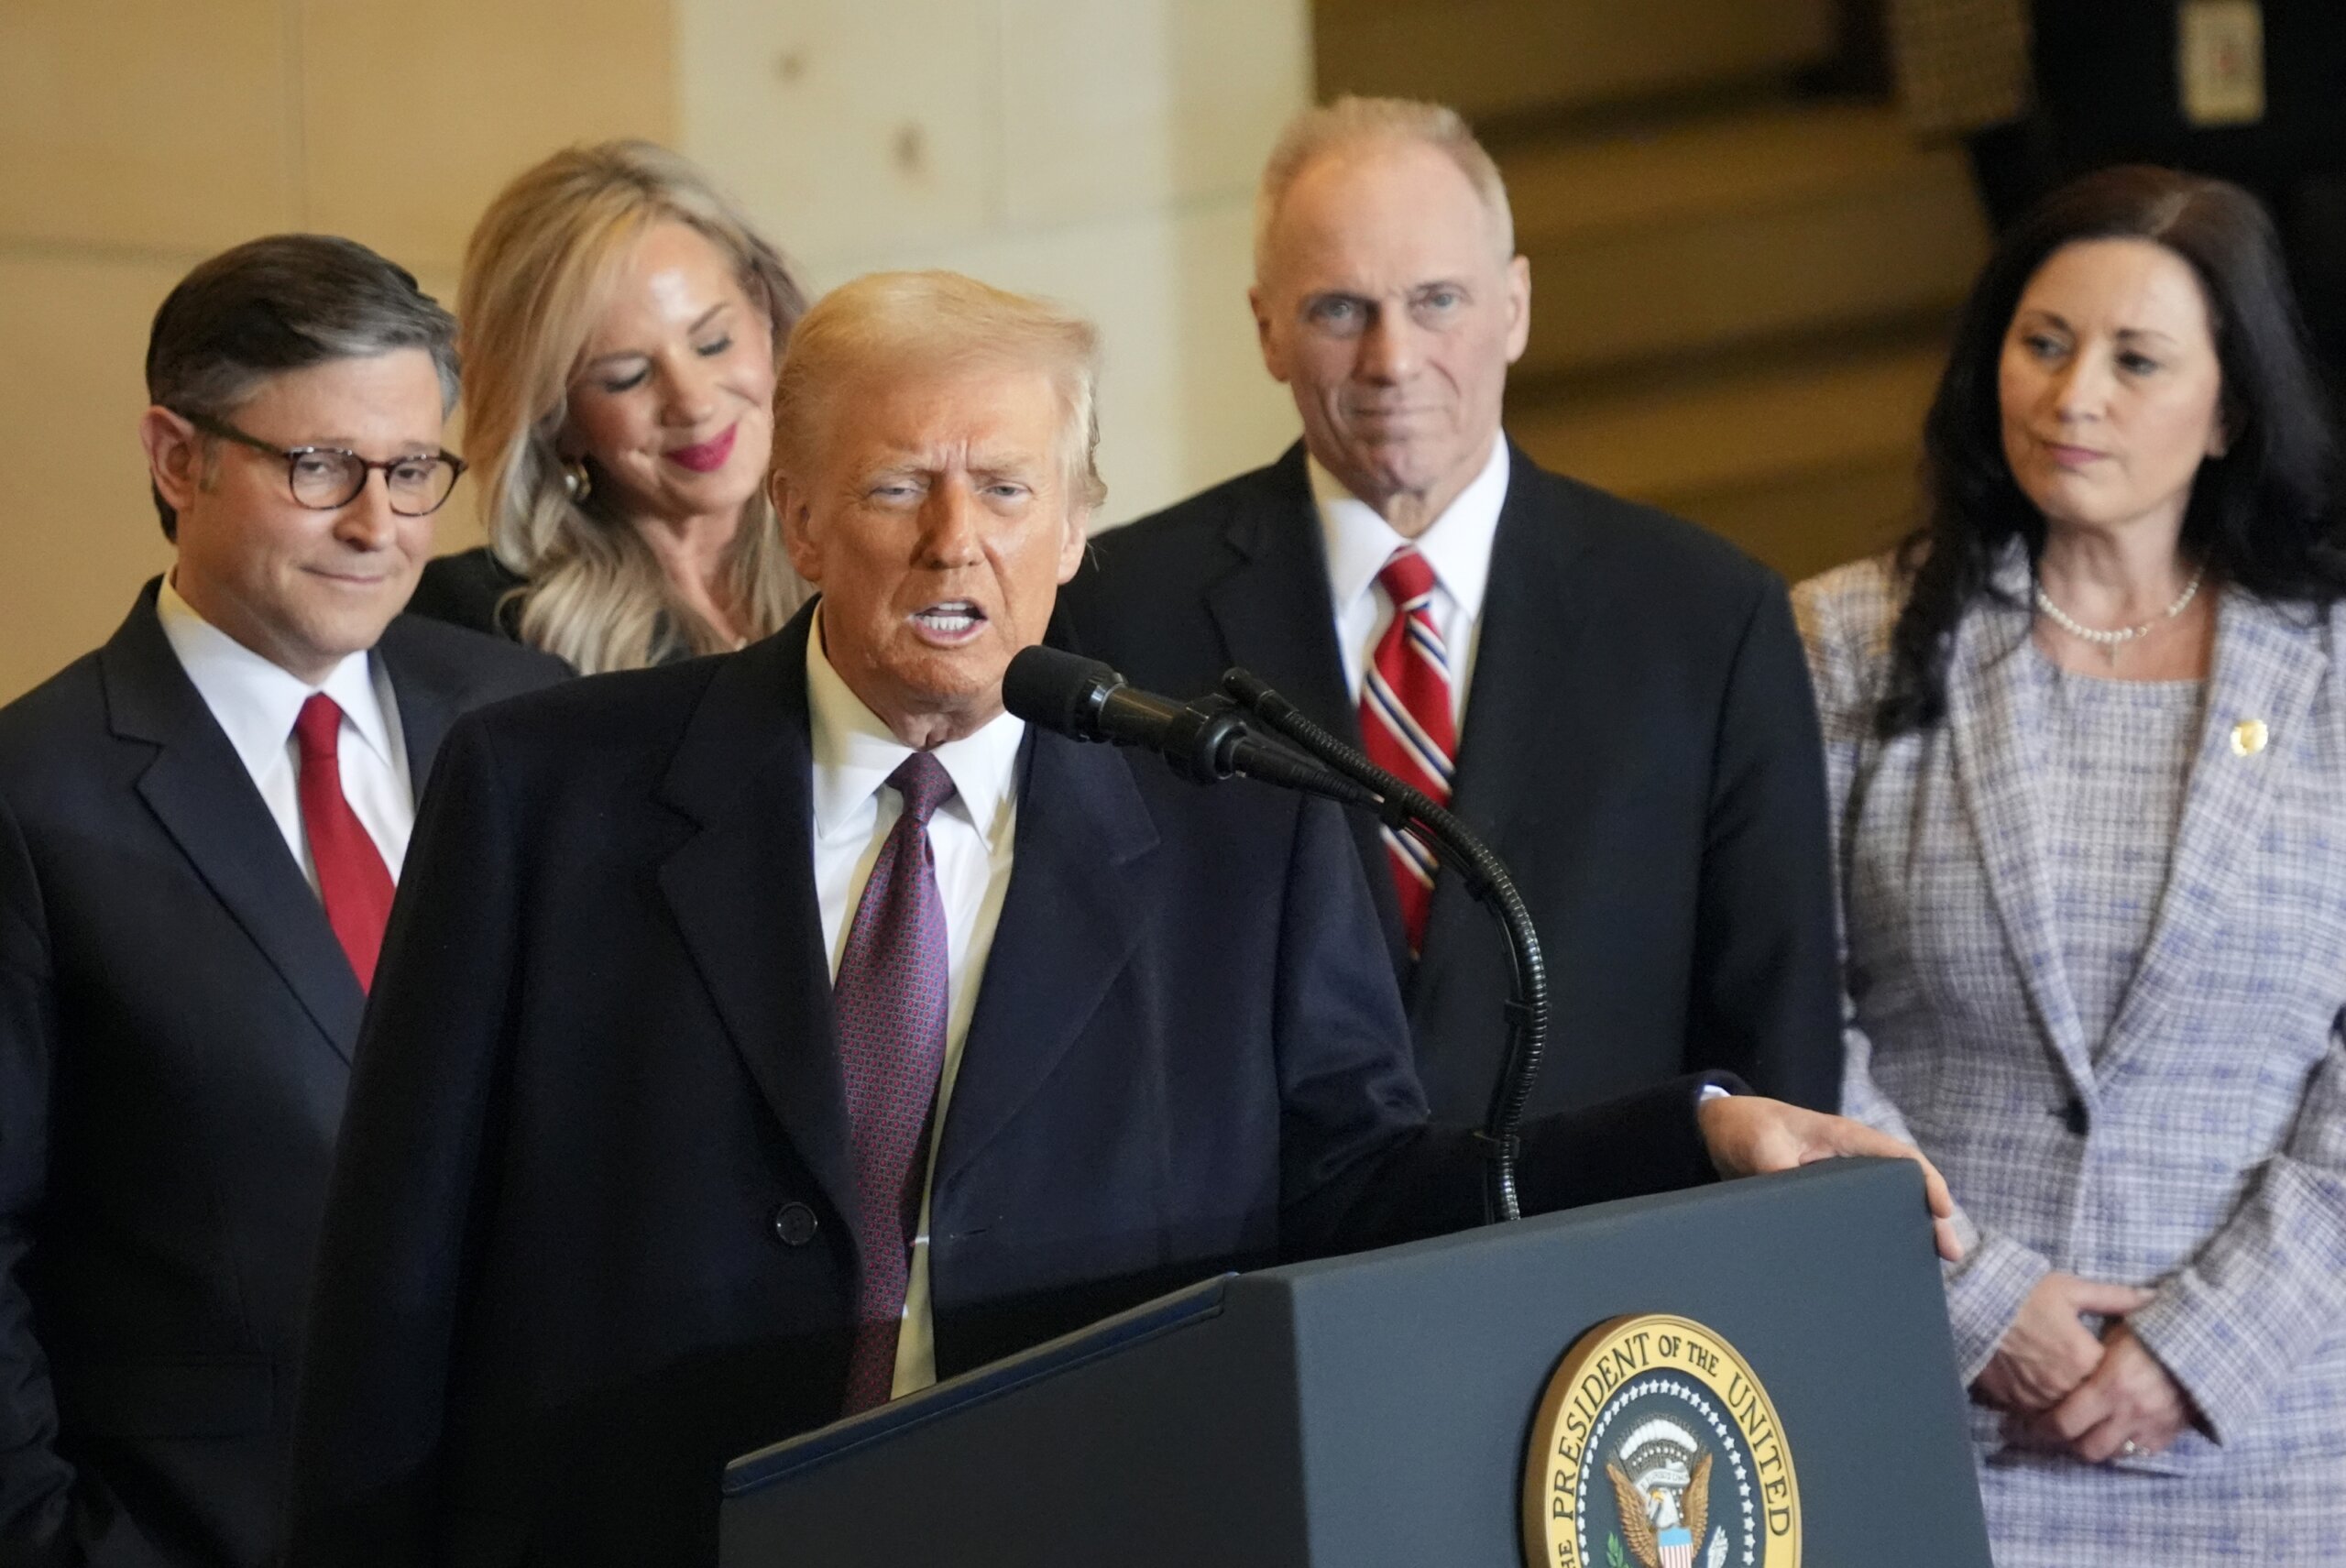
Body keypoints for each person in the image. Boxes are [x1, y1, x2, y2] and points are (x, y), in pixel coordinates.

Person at [283, 269, 1954, 1567]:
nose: (958, 542)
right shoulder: (545, 794)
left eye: (1007, 489)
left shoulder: (1242, 828)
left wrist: (1703, 1134)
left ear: (1078, 525)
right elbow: (396, 1281)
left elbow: (1366, 1190)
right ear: (794, 517)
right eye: (896, 489)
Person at [1054, 96, 1842, 1122]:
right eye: (1339, 309)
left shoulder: (1706, 617)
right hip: (1255, 1261)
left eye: (1437, 302)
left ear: (1513, 308)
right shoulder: (1117, 615)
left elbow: (1777, 1046)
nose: (1391, 361)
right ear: (1266, 330)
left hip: (1604, 1265)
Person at [1794, 166, 2346, 1563]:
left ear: (2229, 408)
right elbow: (1788, 1008)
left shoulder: (2335, 667)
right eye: (2042, 344)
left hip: (2269, 1440)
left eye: (2135, 358)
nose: (2072, 393)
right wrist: (1977, 1299)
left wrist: (2198, 1347)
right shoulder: (1844, 639)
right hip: (1925, 1408)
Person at [0, 236, 565, 1567]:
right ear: (175, 456)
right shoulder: (32, 800)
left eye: (413, 471)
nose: (379, 524)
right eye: (320, 467)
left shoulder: (523, 719)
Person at [404, 140, 812, 672]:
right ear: (555, 417)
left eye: (713, 343)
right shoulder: (477, 623)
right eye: (626, 378)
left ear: (765, 318)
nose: (691, 403)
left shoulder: (871, 563)